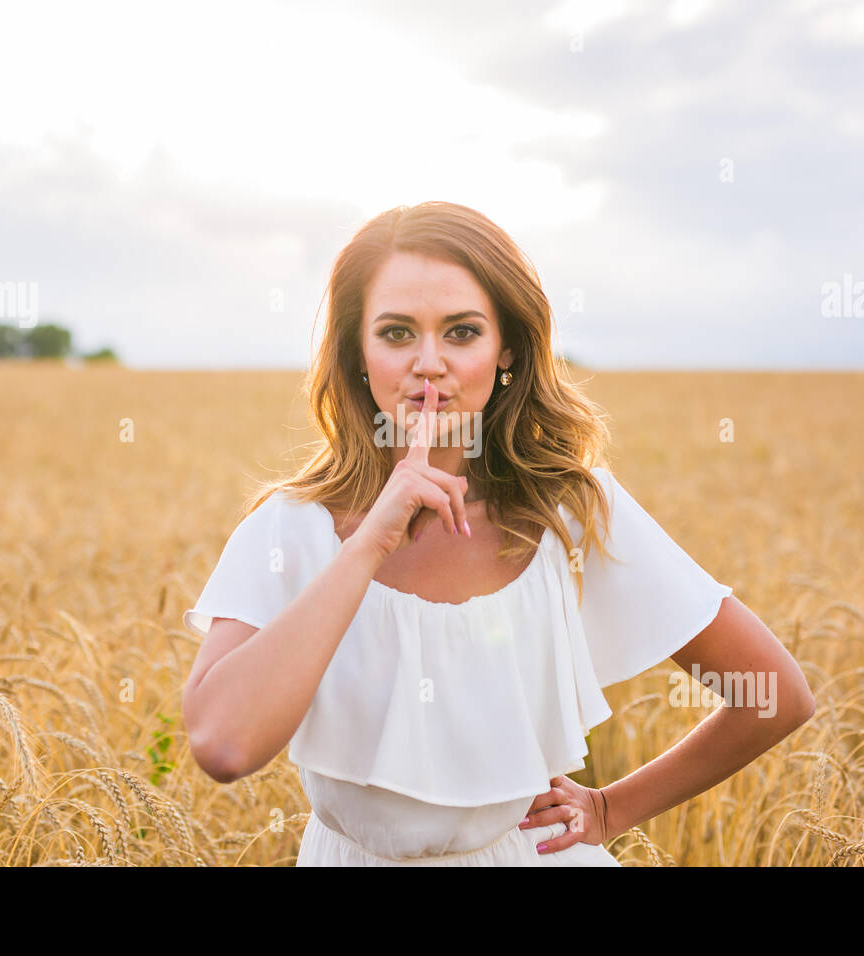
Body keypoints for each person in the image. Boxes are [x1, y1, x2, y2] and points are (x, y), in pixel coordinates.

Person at [181, 201, 815, 866]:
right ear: (356, 353)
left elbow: (774, 694)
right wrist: (367, 543)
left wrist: (609, 808)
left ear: (506, 348)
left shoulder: (569, 511)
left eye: (461, 332)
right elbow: (224, 746)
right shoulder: (289, 528)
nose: (429, 363)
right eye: (397, 334)